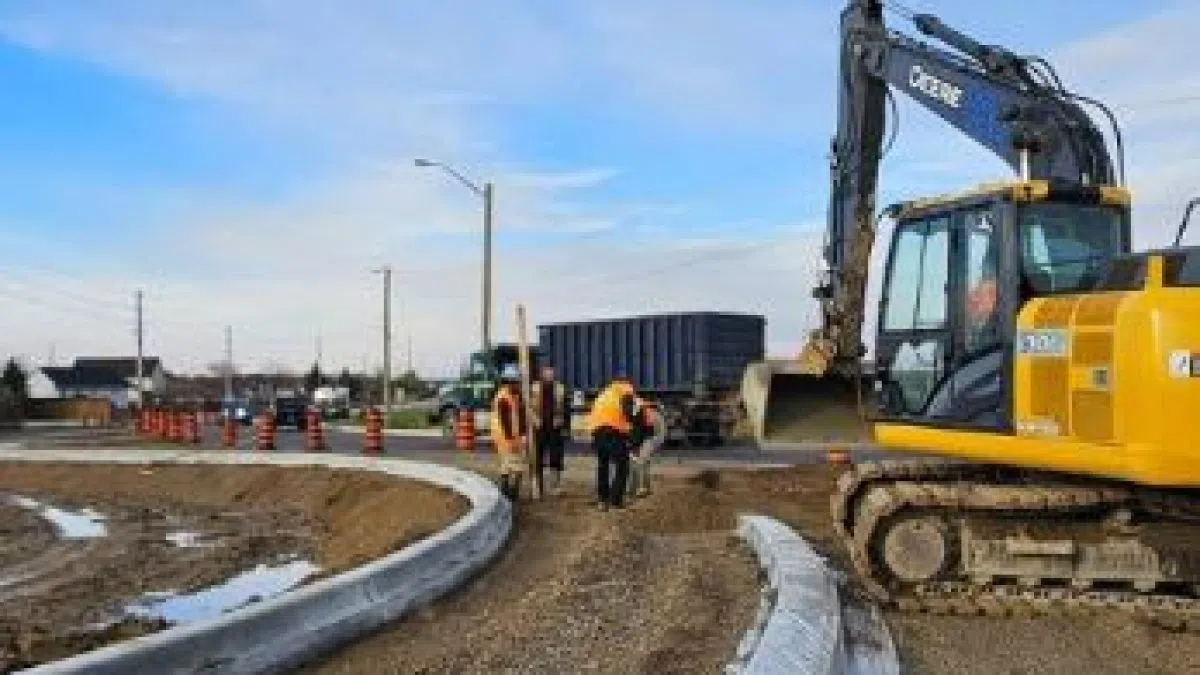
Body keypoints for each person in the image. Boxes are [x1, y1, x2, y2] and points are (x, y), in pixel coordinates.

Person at [587, 374, 637, 510]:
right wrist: (631, 435)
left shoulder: (605, 393)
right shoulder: (626, 390)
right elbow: (628, 413)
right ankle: (616, 499)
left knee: (603, 465)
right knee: (623, 464)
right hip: (613, 431)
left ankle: (602, 500)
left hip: (597, 431)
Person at [531, 364, 569, 497]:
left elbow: (566, 409)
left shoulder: (560, 388)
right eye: (547, 373)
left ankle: (554, 486)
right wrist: (532, 422)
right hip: (538, 427)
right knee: (537, 458)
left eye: (551, 373)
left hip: (555, 428)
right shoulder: (533, 388)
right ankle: (537, 488)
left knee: (556, 457)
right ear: (542, 374)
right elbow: (528, 407)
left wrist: (565, 427)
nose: (549, 376)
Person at [490, 373, 528, 502]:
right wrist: (513, 439)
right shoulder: (504, 398)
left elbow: (520, 416)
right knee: (518, 465)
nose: (518, 385)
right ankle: (512, 493)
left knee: (506, 464)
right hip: (506, 436)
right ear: (510, 383)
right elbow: (505, 421)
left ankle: (506, 491)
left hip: (503, 436)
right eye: (516, 383)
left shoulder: (511, 395)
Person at [628, 399, 667, 499]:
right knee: (641, 462)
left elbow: (641, 431)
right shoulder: (642, 409)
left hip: (651, 436)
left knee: (639, 462)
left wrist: (635, 446)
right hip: (651, 436)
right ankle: (641, 487)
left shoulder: (640, 412)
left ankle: (640, 489)